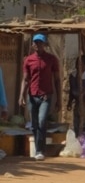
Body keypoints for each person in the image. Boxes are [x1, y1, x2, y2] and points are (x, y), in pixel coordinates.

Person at [18, 32, 61, 160]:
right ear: (33, 44)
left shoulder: (52, 59)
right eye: (36, 42)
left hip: (46, 96)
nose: (38, 45)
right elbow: (25, 80)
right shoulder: (28, 60)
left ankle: (40, 150)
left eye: (40, 43)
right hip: (32, 96)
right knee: (34, 124)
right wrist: (21, 96)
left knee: (42, 121)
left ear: (45, 44)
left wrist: (59, 100)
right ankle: (38, 150)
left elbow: (57, 80)